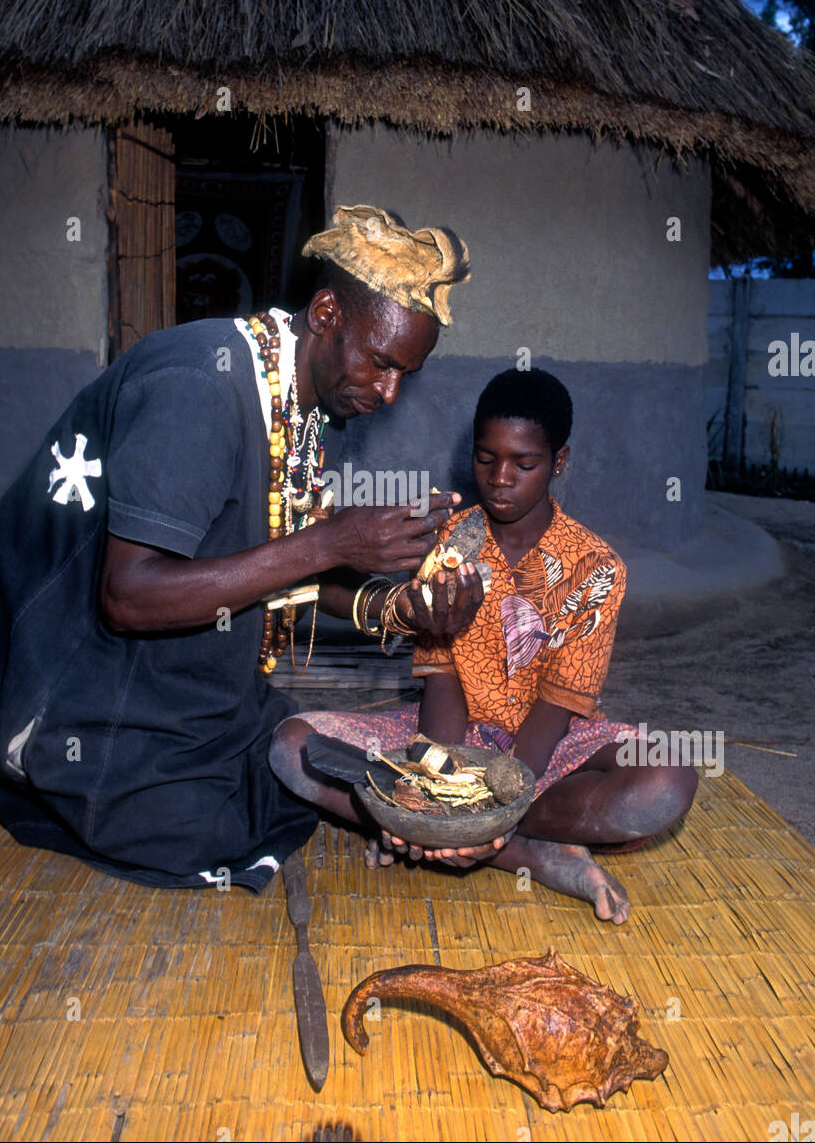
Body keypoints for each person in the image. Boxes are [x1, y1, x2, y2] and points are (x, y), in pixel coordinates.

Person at [0, 205, 485, 889]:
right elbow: (127, 597)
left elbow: (280, 565)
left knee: (291, 755)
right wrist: (334, 539)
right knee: (208, 828)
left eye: (408, 372)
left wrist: (404, 609)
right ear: (325, 314)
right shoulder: (200, 387)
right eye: (381, 363)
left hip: (187, 678)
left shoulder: (298, 400)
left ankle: (435, 825)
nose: (390, 391)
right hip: (73, 678)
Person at [269, 367, 698, 924]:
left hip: (550, 740)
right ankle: (524, 855)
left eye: (524, 464)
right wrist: (444, 797)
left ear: (558, 462)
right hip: (446, 738)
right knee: (293, 748)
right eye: (485, 458)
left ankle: (442, 836)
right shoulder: (451, 543)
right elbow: (442, 676)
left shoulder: (596, 567)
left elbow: (558, 705)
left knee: (664, 780)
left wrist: (495, 808)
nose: (500, 478)